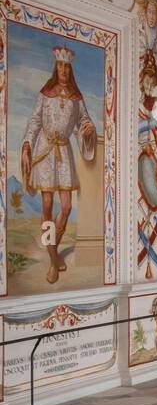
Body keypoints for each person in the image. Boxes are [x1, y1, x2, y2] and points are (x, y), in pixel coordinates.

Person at [21, 45, 97, 284]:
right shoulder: (46, 92)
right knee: (46, 203)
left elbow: (84, 119)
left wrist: (88, 127)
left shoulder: (77, 96)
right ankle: (54, 259)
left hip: (64, 151)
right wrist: (26, 145)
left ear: (70, 69)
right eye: (60, 65)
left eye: (67, 66)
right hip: (45, 149)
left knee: (65, 206)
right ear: (56, 67)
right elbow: (34, 121)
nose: (63, 70)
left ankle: (53, 250)